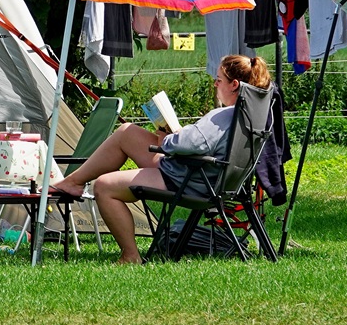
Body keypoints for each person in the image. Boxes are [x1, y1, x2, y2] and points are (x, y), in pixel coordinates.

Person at [49, 54, 271, 265]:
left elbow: (190, 144)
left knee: (104, 186)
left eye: (219, 79)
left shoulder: (223, 115)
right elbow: (199, 142)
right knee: (127, 132)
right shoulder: (250, 114)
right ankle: (74, 182)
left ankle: (130, 256)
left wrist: (168, 139)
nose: (215, 84)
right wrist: (175, 137)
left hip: (188, 178)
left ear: (234, 85)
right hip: (207, 177)